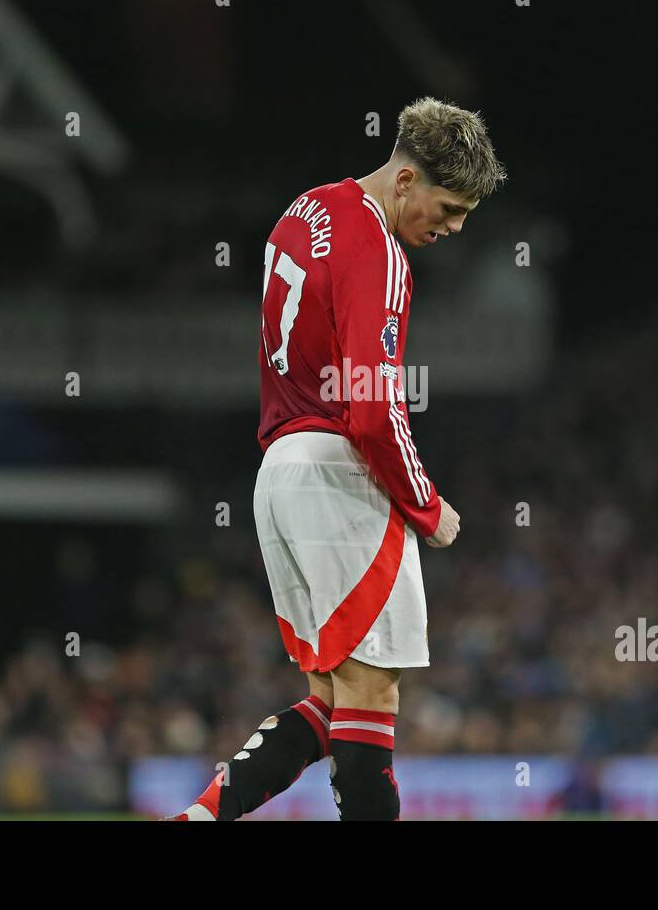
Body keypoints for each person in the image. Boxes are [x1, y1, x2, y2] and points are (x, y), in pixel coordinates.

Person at [167, 97, 505, 821]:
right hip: (336, 473)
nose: (451, 228)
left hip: (280, 471)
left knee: (332, 701)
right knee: (375, 697)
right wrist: (426, 504)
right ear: (407, 181)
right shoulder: (377, 251)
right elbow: (372, 405)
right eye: (448, 208)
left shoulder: (306, 209)